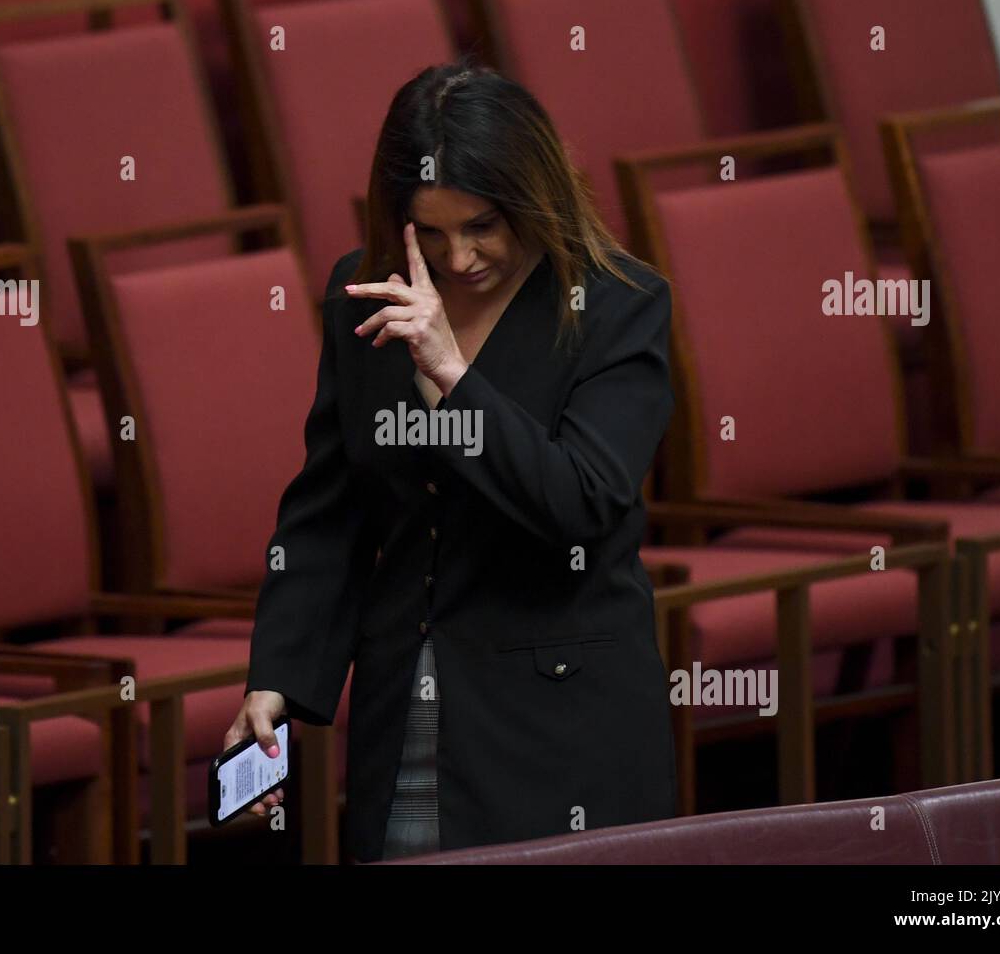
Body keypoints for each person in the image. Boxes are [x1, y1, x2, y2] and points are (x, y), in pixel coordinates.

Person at [224, 61, 676, 863]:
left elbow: (578, 501)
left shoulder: (618, 306)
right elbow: (329, 511)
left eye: (482, 227)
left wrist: (451, 374)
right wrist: (276, 680)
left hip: (561, 722)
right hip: (407, 709)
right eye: (430, 232)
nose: (459, 258)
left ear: (535, 201)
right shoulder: (364, 296)